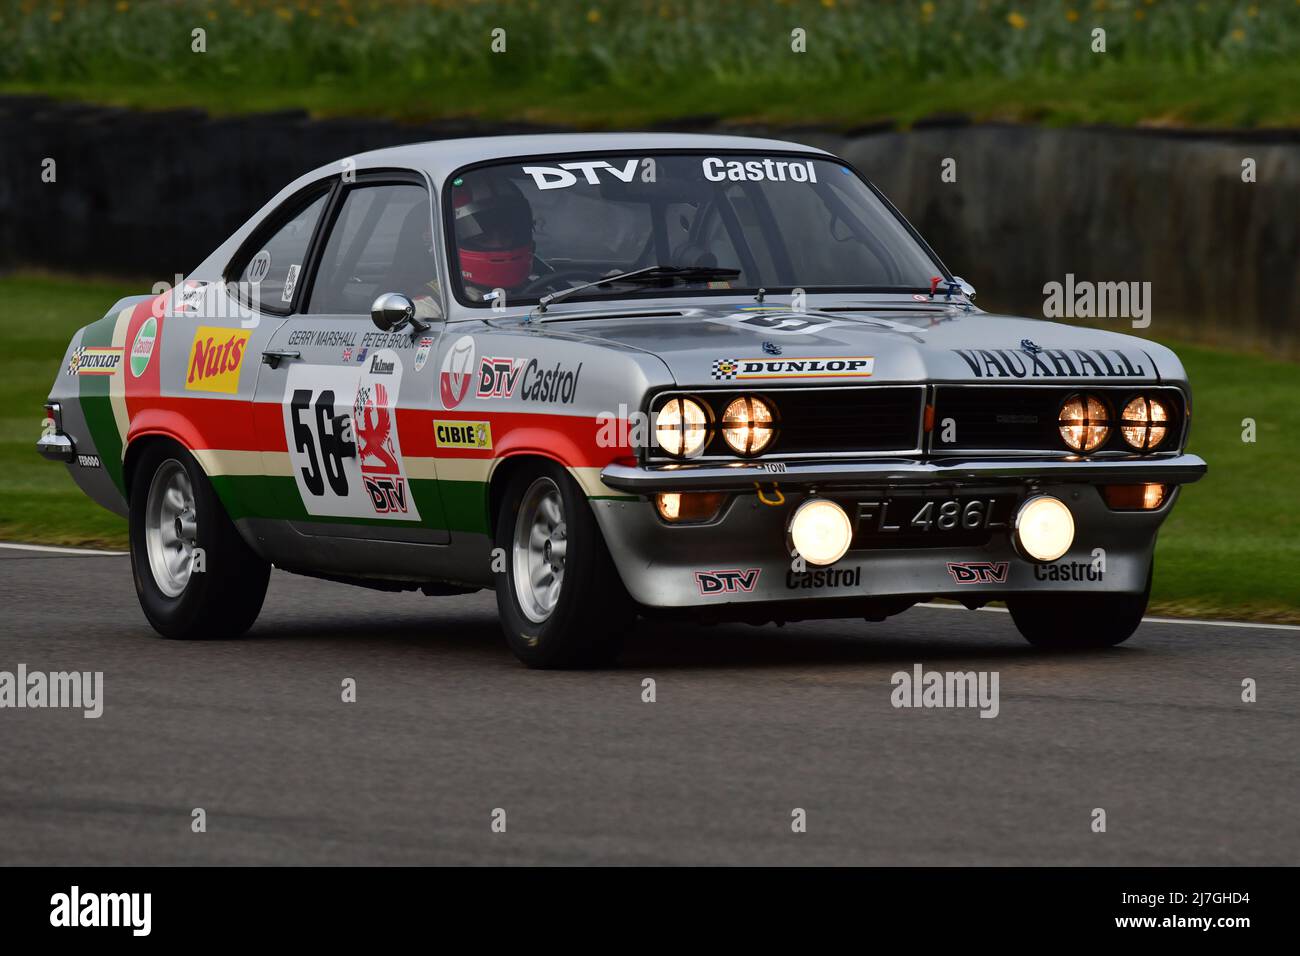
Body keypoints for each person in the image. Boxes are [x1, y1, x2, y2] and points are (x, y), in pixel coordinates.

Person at [450, 174, 536, 302]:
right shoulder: (433, 306)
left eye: (507, 235)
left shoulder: (547, 291)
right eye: (483, 238)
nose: (498, 245)